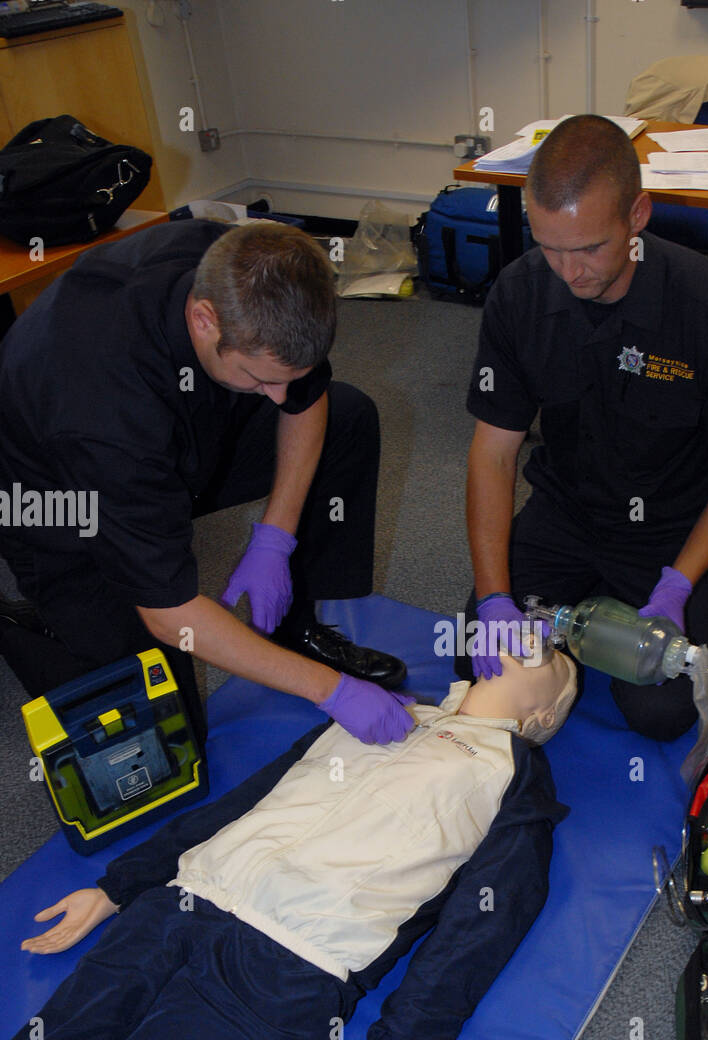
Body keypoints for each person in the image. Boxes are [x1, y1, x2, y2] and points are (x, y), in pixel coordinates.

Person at [0, 645, 575, 1040]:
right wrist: (120, 886)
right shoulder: (375, 710)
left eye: (550, 655)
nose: (532, 640)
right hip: (181, 905)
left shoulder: (514, 775)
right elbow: (245, 801)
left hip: (287, 965)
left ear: (543, 712)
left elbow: (482, 929)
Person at [0, 217, 412, 749]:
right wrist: (331, 692)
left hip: (178, 444)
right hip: (60, 504)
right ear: (203, 320)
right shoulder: (103, 408)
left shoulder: (249, 271)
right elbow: (170, 615)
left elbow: (306, 400)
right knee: (168, 742)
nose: (281, 397)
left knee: (347, 419)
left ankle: (295, 630)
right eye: (263, 379)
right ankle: (36, 622)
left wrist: (275, 539)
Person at [458, 114, 708, 739]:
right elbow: (492, 454)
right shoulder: (519, 295)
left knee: (662, 714)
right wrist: (495, 596)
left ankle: (600, 623)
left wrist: (679, 582)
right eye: (549, 246)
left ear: (638, 216)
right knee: (479, 663)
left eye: (588, 249)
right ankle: (570, 626)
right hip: (565, 512)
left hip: (664, 533)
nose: (567, 271)